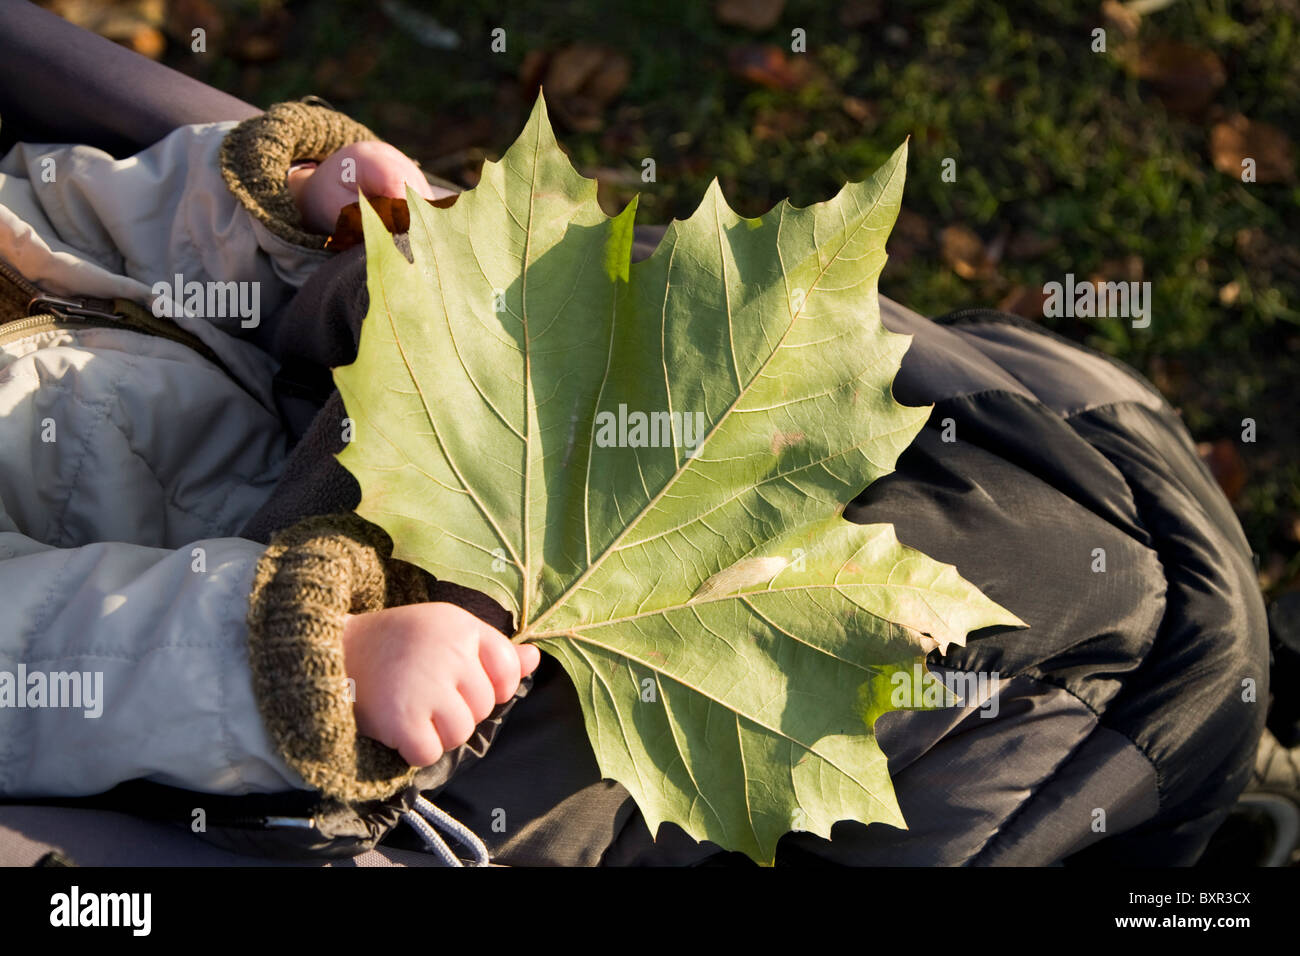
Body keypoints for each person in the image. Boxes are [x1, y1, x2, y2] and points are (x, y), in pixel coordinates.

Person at [0, 18, 1272, 867]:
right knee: (886, 695)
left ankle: (1193, 731)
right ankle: (1178, 781)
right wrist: (305, 658)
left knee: (996, 505)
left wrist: (285, 217)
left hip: (372, 422)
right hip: (318, 695)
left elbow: (93, 221)